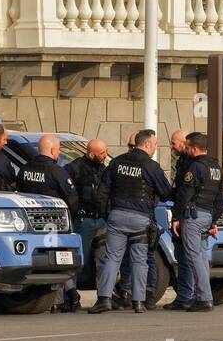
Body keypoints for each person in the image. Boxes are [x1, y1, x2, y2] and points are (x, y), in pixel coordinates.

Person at [92, 129, 171, 314]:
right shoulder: (152, 166)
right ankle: (138, 302)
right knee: (140, 260)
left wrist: (106, 213)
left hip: (117, 216)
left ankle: (104, 299)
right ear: (146, 144)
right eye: (155, 145)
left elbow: (102, 190)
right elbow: (166, 191)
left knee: (111, 258)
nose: (155, 148)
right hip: (140, 218)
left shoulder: (116, 162)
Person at [16, 135, 81, 311]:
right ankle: (60, 299)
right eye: (58, 149)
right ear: (53, 150)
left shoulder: (24, 169)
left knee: (39, 261)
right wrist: (69, 218)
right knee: (59, 260)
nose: (59, 153)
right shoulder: (56, 171)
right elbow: (72, 198)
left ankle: (56, 298)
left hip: (30, 225)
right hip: (54, 225)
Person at [171, 132, 223, 312]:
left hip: (193, 216)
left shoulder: (195, 167)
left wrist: (176, 217)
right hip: (207, 216)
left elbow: (184, 194)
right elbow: (220, 199)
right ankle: (202, 295)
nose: (185, 149)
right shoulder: (215, 167)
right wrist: (213, 221)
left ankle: (203, 298)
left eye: (186, 146)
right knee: (201, 257)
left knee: (194, 257)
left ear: (193, 148)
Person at [67, 138, 110, 307]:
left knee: (104, 260)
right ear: (90, 153)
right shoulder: (74, 168)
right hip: (83, 221)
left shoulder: (104, 169)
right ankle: (71, 295)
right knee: (78, 260)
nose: (105, 155)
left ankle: (104, 296)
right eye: (101, 153)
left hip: (101, 220)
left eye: (105, 151)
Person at [164, 130, 195, 310]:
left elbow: (185, 193)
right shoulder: (183, 161)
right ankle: (185, 295)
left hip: (189, 215)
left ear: (184, 143)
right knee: (184, 257)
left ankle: (187, 296)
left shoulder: (192, 164)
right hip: (187, 213)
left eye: (174, 143)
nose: (171, 147)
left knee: (188, 257)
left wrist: (176, 216)